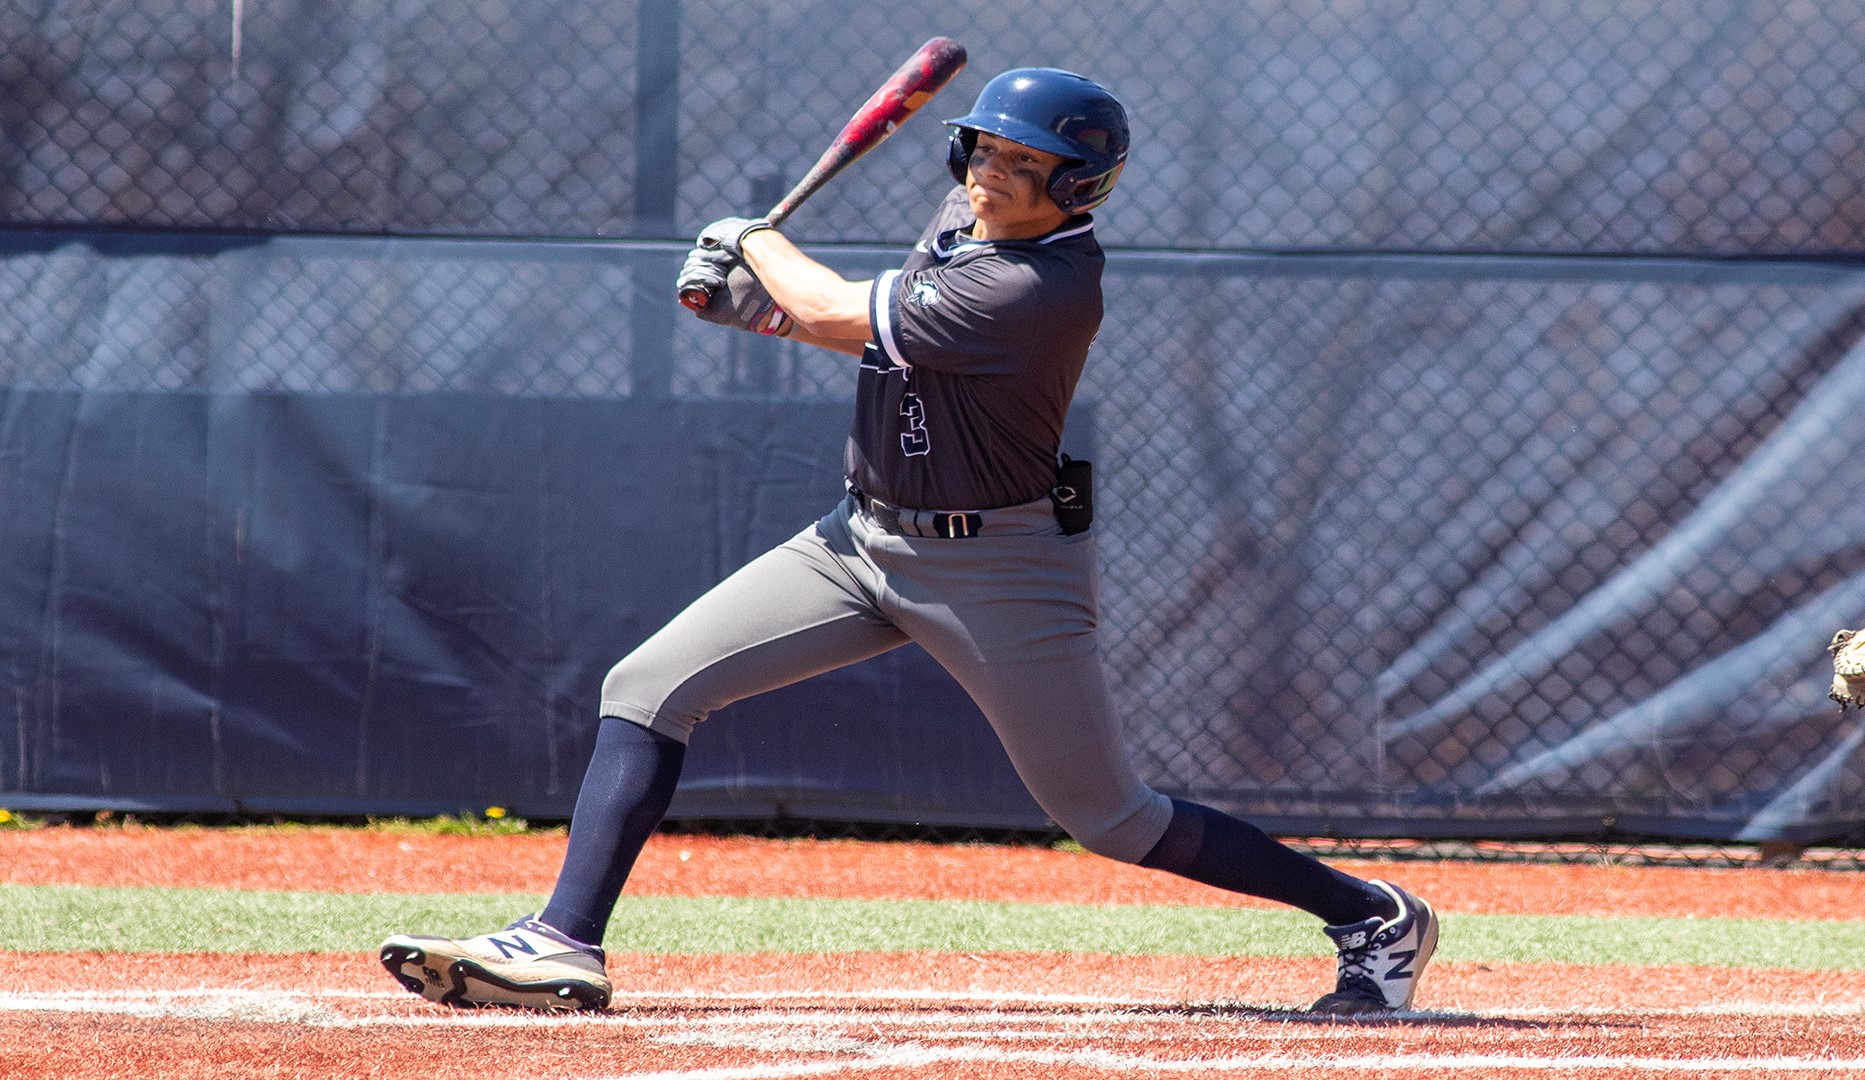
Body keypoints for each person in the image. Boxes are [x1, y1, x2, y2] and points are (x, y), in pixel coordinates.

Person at [377, 67, 1438, 1016]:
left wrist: (756, 245)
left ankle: (1371, 916)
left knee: (1109, 818)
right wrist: (757, 309)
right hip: (860, 538)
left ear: (1080, 187)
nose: (994, 175)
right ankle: (564, 944)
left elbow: (843, 307)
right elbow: (864, 333)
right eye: (985, 149)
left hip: (998, 568)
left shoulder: (1038, 287)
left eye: (1031, 163)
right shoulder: (965, 226)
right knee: (648, 684)